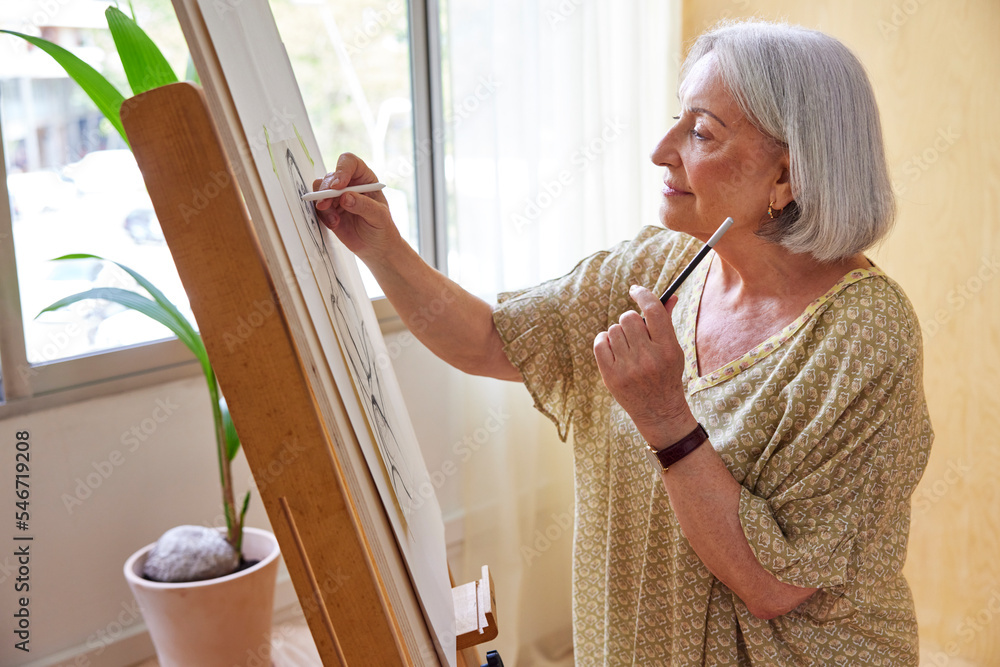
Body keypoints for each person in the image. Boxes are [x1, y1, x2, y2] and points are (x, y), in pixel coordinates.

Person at [313, 19, 932, 666]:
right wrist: (382, 244)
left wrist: (666, 417)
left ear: (787, 174)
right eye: (677, 119)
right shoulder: (660, 267)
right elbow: (491, 340)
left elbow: (773, 584)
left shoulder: (866, 335)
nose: (662, 149)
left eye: (700, 131)